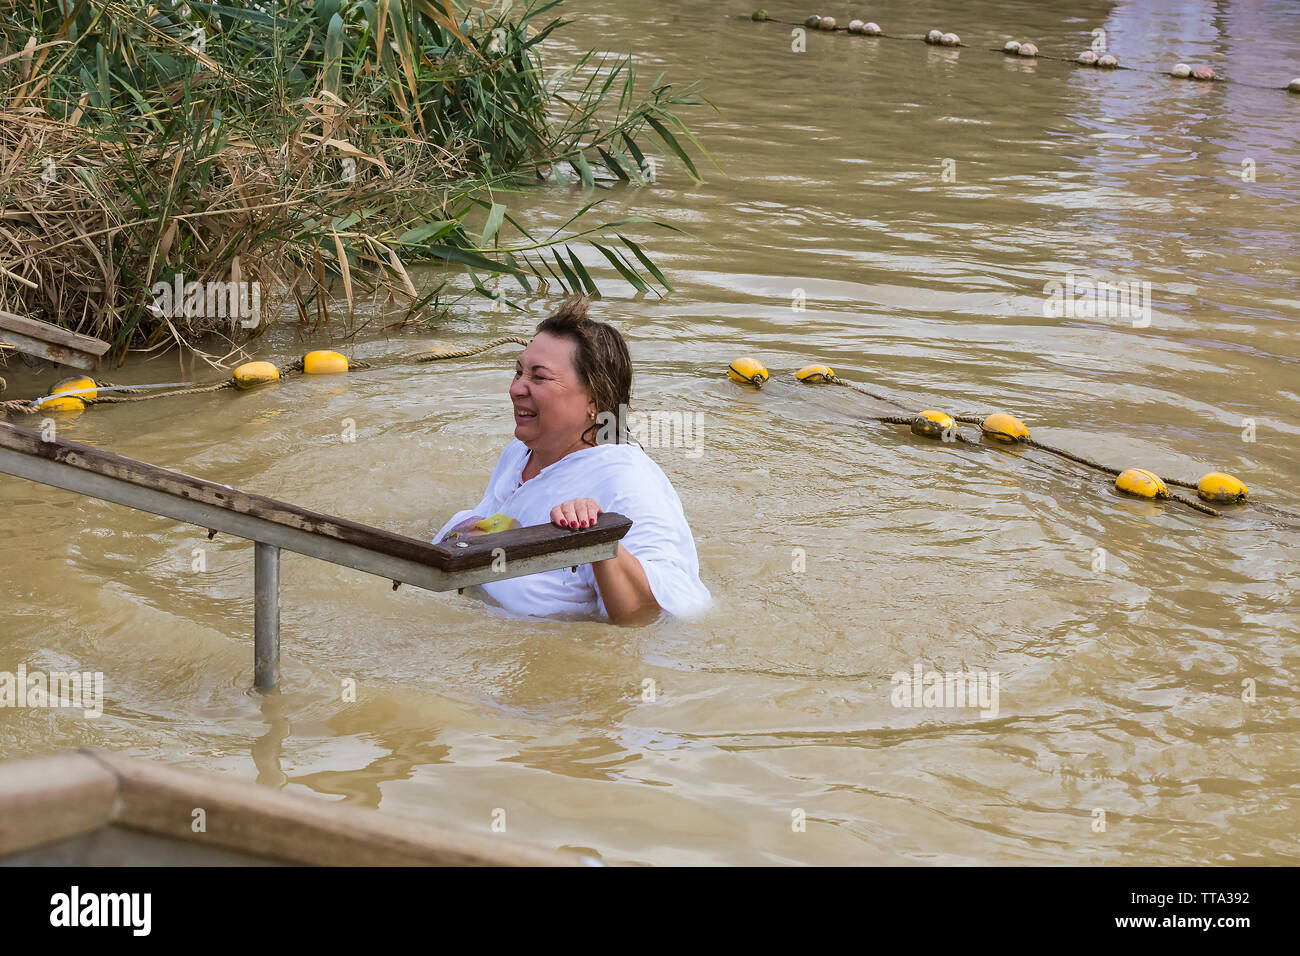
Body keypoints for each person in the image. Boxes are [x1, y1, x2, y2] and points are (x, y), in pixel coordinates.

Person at [433, 297, 711, 625]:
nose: (516, 389)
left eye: (539, 378)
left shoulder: (626, 481)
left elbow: (671, 608)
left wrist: (597, 540)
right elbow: (493, 524)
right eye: (518, 372)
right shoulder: (520, 453)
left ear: (594, 399)